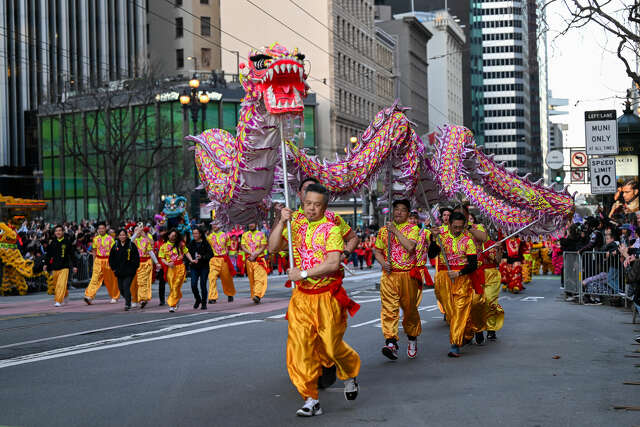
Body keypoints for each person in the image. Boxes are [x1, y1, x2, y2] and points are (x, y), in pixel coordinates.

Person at [268, 183, 360, 417]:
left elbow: (332, 263)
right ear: (301, 201)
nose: (311, 209)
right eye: (308, 203)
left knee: (331, 347)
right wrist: (281, 221)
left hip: (327, 297)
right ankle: (311, 398)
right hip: (301, 298)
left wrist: (303, 274)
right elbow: (273, 247)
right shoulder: (295, 223)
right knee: (300, 349)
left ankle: (349, 372)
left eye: (317, 205)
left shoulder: (331, 229)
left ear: (325, 207)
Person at [374, 199, 421, 360]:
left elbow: (410, 247)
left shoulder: (413, 228)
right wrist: (383, 263)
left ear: (408, 213)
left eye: (403, 210)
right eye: (397, 209)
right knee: (389, 309)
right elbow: (377, 251)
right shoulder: (383, 231)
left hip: (407, 275)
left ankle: (412, 337)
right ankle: (391, 342)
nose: (399, 212)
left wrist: (395, 231)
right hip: (389, 275)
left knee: (409, 310)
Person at [428, 212, 478, 357]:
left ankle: (455, 344)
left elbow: (473, 264)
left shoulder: (468, 241)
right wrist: (433, 240)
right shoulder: (441, 238)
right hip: (444, 279)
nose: (457, 230)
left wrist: (459, 273)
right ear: (449, 224)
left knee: (459, 311)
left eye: (460, 228)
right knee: (451, 314)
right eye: (455, 227)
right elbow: (431, 255)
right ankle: (467, 333)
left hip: (462, 279)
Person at [84, 222, 119, 305]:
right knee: (95, 279)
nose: (101, 230)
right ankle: (89, 296)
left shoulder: (111, 239)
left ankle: (114, 296)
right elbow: (94, 251)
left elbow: (114, 252)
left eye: (102, 228)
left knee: (111, 280)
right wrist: (94, 262)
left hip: (108, 261)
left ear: (105, 229)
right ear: (98, 230)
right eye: (99, 229)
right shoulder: (95, 239)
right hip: (98, 261)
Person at [43, 225, 77, 307]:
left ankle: (58, 300)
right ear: (54, 233)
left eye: (59, 230)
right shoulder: (53, 242)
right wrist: (46, 264)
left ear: (63, 232)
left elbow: (72, 255)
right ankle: (65, 294)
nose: (58, 232)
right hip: (55, 267)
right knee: (56, 284)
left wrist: (75, 266)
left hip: (65, 267)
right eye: (56, 231)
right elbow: (48, 255)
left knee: (61, 284)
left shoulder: (67, 242)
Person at [109, 229, 140, 311]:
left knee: (126, 286)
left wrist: (134, 267)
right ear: (118, 236)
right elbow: (111, 258)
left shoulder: (131, 245)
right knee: (121, 288)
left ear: (126, 236)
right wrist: (114, 268)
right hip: (119, 271)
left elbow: (136, 258)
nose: (122, 236)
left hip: (129, 271)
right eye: (120, 235)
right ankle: (128, 297)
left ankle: (128, 304)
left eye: (123, 235)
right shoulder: (115, 245)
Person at [158, 229, 189, 312]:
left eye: (174, 236)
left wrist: (192, 260)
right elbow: (162, 258)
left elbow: (186, 252)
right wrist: (168, 264)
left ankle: (172, 305)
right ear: (168, 236)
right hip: (170, 269)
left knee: (176, 285)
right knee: (173, 287)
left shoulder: (180, 244)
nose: (173, 237)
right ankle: (176, 298)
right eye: (171, 235)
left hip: (180, 267)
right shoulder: (163, 246)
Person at [206, 222, 236, 304]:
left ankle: (230, 293)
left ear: (220, 225)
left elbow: (229, 247)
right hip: (214, 259)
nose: (214, 226)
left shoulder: (226, 236)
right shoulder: (209, 237)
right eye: (213, 224)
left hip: (224, 259)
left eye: (216, 224)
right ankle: (212, 297)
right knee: (212, 277)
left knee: (226, 278)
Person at [186, 227, 213, 309]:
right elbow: (187, 253)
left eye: (196, 233)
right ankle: (198, 299)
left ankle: (204, 303)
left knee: (203, 285)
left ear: (200, 234)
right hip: (194, 267)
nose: (194, 235)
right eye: (193, 233)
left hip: (204, 267)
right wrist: (189, 262)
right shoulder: (191, 243)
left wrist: (202, 256)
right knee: (193, 285)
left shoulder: (205, 243)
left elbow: (211, 254)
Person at [130, 224, 157, 309]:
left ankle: (142, 299)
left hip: (143, 264)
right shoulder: (131, 240)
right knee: (133, 284)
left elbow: (150, 251)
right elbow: (129, 242)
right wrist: (136, 233)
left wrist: (156, 262)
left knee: (142, 282)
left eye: (139, 230)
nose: (138, 232)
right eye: (136, 230)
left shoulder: (145, 240)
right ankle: (134, 300)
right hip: (133, 265)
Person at [241, 222, 268, 304]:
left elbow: (263, 246)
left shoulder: (261, 234)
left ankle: (257, 295)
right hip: (249, 260)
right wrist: (251, 253)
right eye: (249, 223)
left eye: (253, 223)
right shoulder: (244, 235)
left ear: (256, 224)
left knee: (258, 278)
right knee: (252, 280)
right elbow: (243, 246)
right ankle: (255, 295)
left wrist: (256, 254)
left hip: (259, 260)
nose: (251, 225)